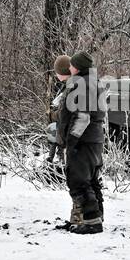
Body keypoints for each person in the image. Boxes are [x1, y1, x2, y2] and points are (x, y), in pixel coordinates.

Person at [58, 50, 107, 234]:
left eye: (72, 65)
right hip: (94, 139)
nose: (69, 67)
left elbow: (82, 117)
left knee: (79, 181)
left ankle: (91, 223)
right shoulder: (93, 81)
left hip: (84, 140)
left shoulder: (83, 84)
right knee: (91, 180)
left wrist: (71, 141)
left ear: (77, 67)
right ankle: (94, 217)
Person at [46, 53, 78, 228]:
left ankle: (81, 219)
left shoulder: (72, 87)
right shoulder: (70, 86)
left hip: (72, 139)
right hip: (69, 137)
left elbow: (66, 115)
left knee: (78, 181)